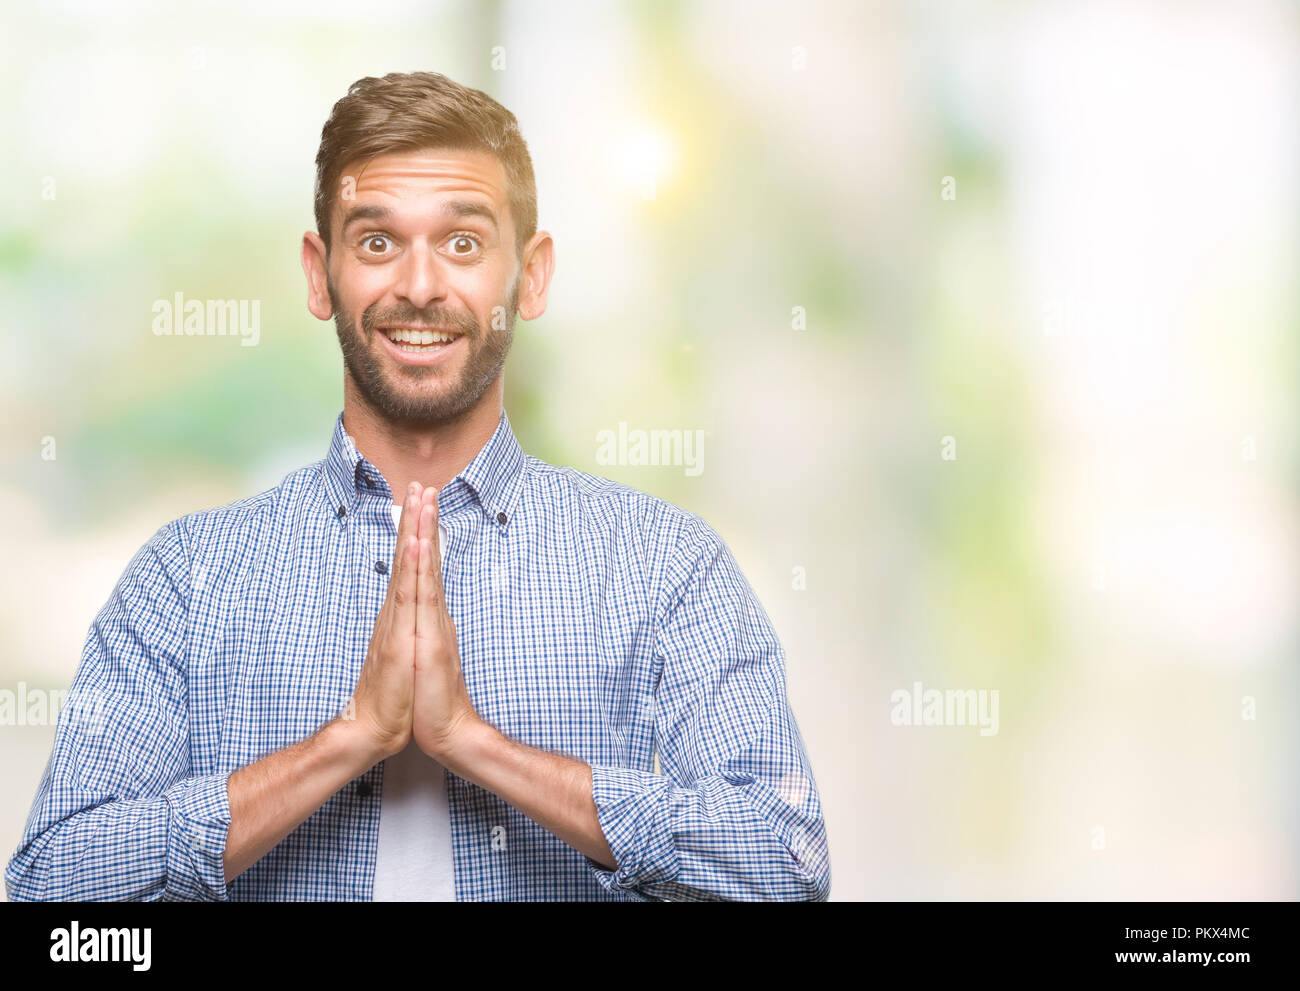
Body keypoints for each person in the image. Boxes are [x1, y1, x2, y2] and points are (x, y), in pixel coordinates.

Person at [5, 71, 831, 901]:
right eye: (376, 242)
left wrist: (473, 743)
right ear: (319, 272)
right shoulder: (185, 577)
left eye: (464, 243)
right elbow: (52, 892)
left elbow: (786, 867)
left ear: (532, 276)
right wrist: (350, 738)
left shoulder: (665, 566)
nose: (421, 286)